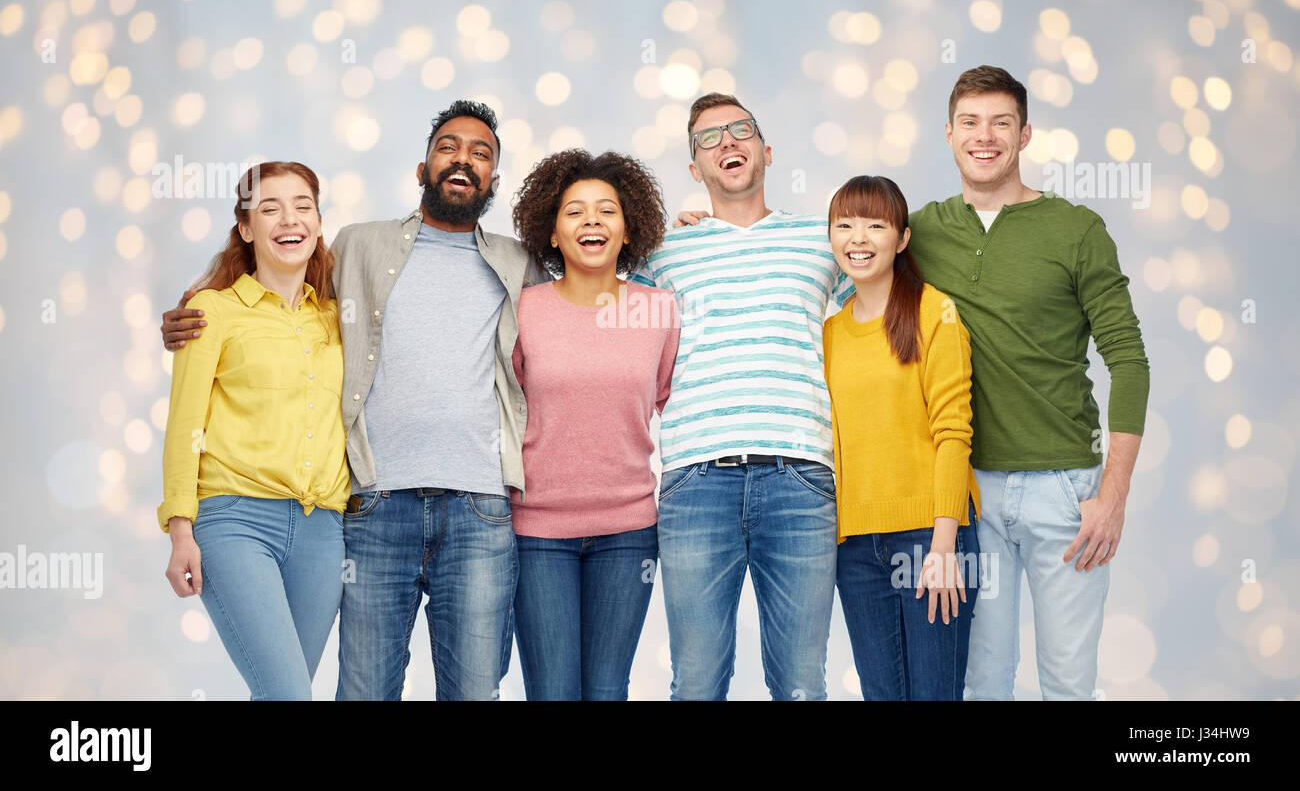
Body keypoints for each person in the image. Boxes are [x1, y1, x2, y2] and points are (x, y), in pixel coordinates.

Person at [162, 101, 550, 700]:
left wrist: (671, 244)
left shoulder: (518, 263)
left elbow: (583, 302)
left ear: (493, 179)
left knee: (473, 691)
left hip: (478, 511)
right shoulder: (358, 246)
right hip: (373, 507)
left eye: (480, 153)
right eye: (448, 147)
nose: (463, 160)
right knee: (358, 690)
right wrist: (190, 314)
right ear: (422, 168)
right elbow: (274, 280)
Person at [908, 66, 1149, 700]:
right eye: (970, 122)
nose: (984, 136)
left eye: (1001, 123)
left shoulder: (1076, 230)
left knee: (1067, 684)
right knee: (982, 682)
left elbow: (1129, 360)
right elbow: (848, 253)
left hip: (1064, 493)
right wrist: (703, 227)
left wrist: (1114, 496)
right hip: (967, 494)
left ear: (1024, 134)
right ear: (949, 134)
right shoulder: (920, 231)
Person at [629, 93, 854, 701]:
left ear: (766, 151)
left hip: (801, 478)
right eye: (709, 137)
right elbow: (616, 336)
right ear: (695, 167)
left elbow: (877, 311)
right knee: (697, 684)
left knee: (801, 684)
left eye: (740, 130)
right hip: (695, 481)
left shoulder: (823, 239)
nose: (727, 142)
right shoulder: (663, 252)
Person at [160, 161, 347, 700]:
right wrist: (180, 529)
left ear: (318, 222)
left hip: (323, 530)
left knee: (281, 694)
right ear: (245, 228)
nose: (289, 220)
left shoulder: (338, 318)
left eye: (303, 206)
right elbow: (185, 425)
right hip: (235, 522)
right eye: (270, 208)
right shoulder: (211, 312)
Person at [508, 150, 678, 700]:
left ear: (628, 230)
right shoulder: (522, 310)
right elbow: (507, 407)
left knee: (606, 690)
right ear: (552, 233)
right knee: (552, 690)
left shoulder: (659, 310)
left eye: (607, 210)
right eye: (575, 211)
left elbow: (667, 399)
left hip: (629, 532)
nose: (592, 222)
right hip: (536, 532)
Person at [823, 174, 980, 700]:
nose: (858, 239)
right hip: (856, 547)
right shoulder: (830, 334)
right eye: (845, 225)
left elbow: (953, 433)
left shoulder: (935, 312)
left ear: (902, 238)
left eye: (875, 225)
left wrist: (944, 545)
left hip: (929, 537)